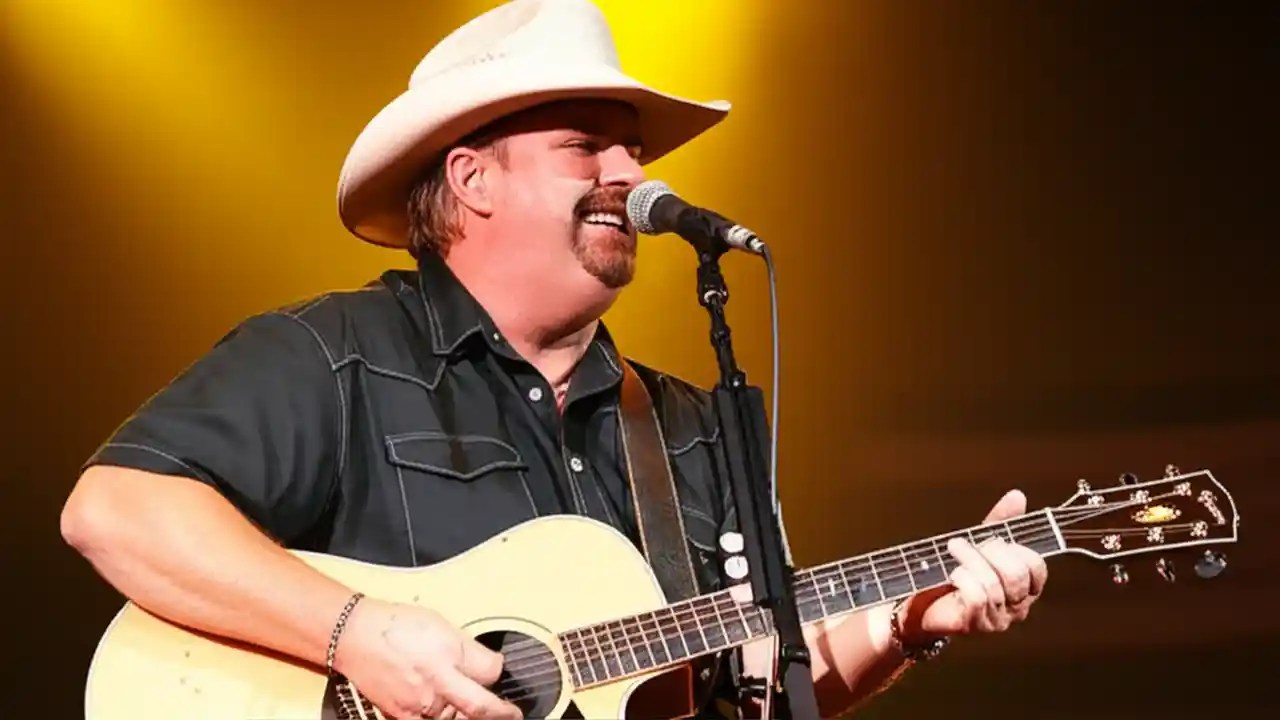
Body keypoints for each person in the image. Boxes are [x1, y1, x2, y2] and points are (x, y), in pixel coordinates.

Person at [60, 1, 1048, 718]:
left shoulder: (687, 426)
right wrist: (357, 634)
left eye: (633, 152)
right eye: (588, 145)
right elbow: (114, 510)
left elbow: (746, 683)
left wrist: (913, 619)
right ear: (471, 178)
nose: (630, 173)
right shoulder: (334, 355)